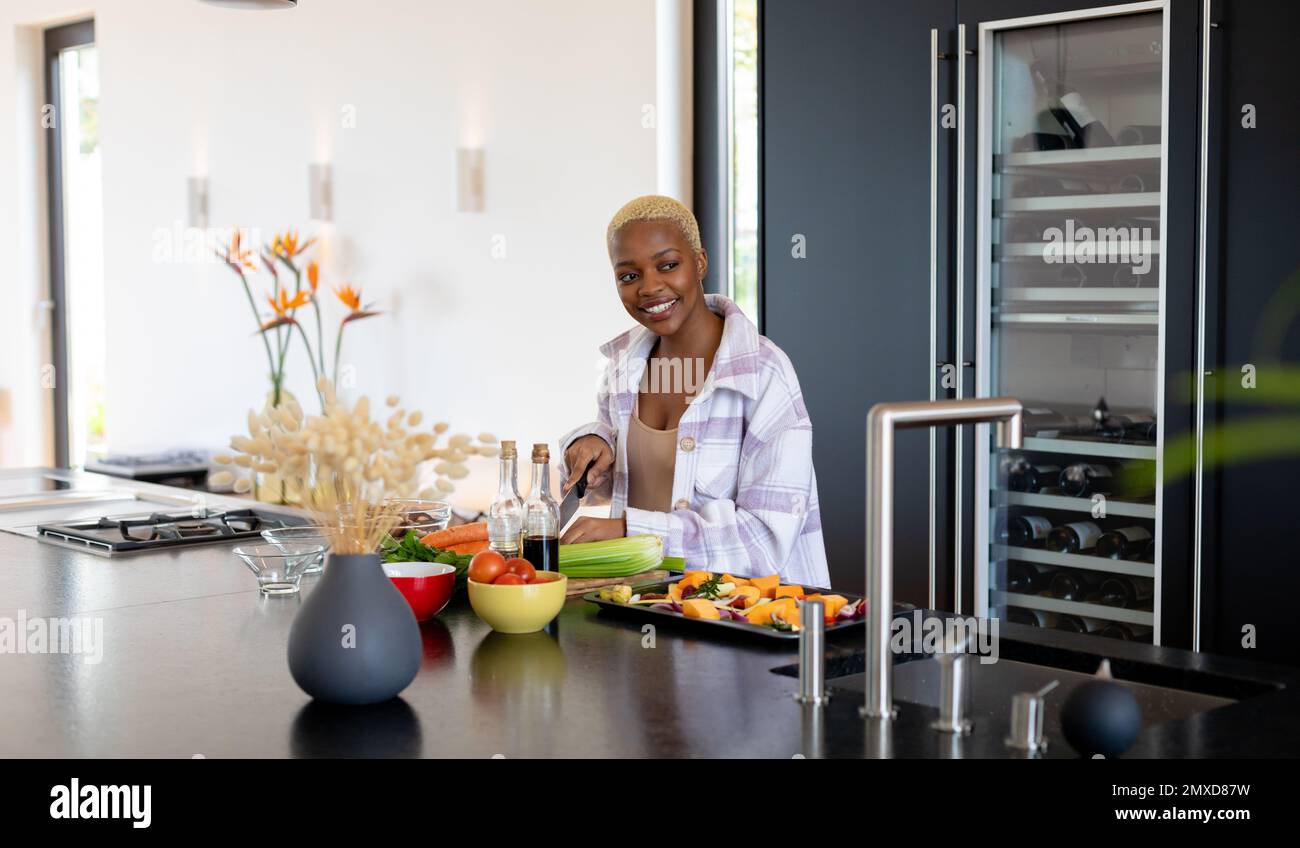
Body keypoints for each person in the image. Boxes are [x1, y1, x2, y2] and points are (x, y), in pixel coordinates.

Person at [558, 195, 829, 585]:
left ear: (700, 262)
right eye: (629, 276)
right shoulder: (622, 366)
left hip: (748, 621)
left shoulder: (765, 375)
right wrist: (592, 442)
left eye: (668, 265)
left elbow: (763, 542)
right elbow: (622, 476)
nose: (650, 288)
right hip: (646, 607)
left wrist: (630, 530)